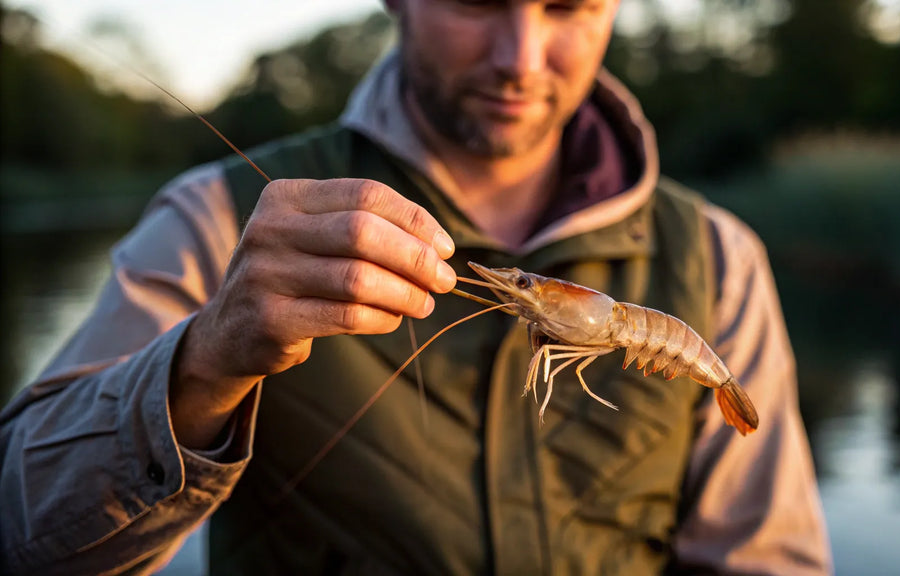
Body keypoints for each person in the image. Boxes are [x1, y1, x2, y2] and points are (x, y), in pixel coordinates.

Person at [0, 1, 832, 574]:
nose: (520, 57)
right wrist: (204, 365)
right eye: (477, 3)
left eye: (570, 7)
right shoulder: (220, 218)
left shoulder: (723, 259)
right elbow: (17, 534)